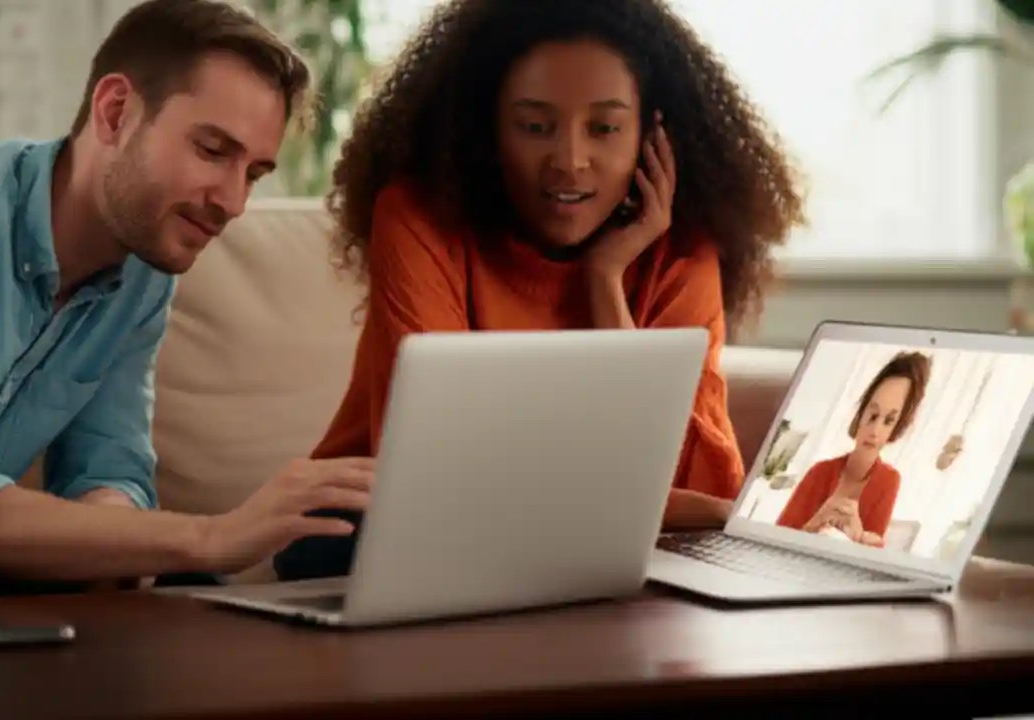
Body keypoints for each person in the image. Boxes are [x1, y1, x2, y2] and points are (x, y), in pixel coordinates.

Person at [0, 0, 374, 606]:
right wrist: (210, 535)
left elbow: (110, 465)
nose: (233, 202)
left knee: (190, 598)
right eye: (212, 151)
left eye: (255, 173)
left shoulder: (143, 268)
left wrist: (116, 528)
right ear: (115, 111)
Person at [273, 0, 806, 581]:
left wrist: (605, 283)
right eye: (534, 127)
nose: (570, 161)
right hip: (375, 527)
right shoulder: (419, 219)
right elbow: (436, 466)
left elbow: (687, 481)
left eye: (604, 128)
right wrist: (639, 502)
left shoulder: (682, 250)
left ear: (652, 137)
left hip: (601, 550)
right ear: (488, 129)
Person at [777, 351, 932, 547]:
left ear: (897, 427)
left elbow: (871, 556)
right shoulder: (820, 472)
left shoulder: (888, 481)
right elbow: (778, 537)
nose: (875, 431)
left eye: (889, 421)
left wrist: (857, 536)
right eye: (873, 415)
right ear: (861, 414)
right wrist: (816, 523)